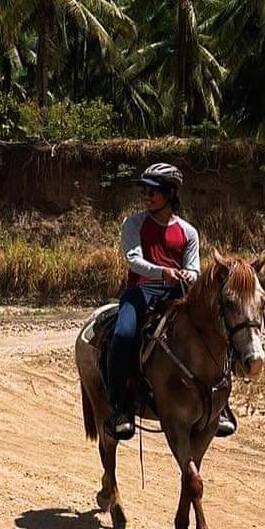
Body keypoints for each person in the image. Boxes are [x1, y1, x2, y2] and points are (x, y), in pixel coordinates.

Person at [105, 162, 200, 441]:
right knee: (122, 335)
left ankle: (221, 403)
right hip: (141, 291)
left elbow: (195, 269)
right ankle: (120, 407)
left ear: (170, 193)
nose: (147, 196)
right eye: (144, 191)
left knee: (212, 332)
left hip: (177, 294)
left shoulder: (188, 232)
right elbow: (133, 260)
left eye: (153, 191)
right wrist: (163, 271)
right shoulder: (133, 223)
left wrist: (187, 275)